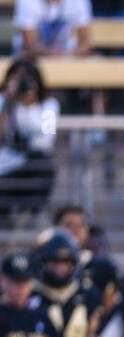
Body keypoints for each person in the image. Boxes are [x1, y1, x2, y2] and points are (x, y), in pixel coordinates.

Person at [0, 59, 59, 218]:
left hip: (33, 162)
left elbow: (47, 139)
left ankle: (29, 214)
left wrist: (29, 105)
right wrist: (8, 101)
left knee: (45, 165)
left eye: (26, 79)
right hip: (5, 162)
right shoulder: (3, 101)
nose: (22, 84)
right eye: (17, 79)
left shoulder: (49, 105)